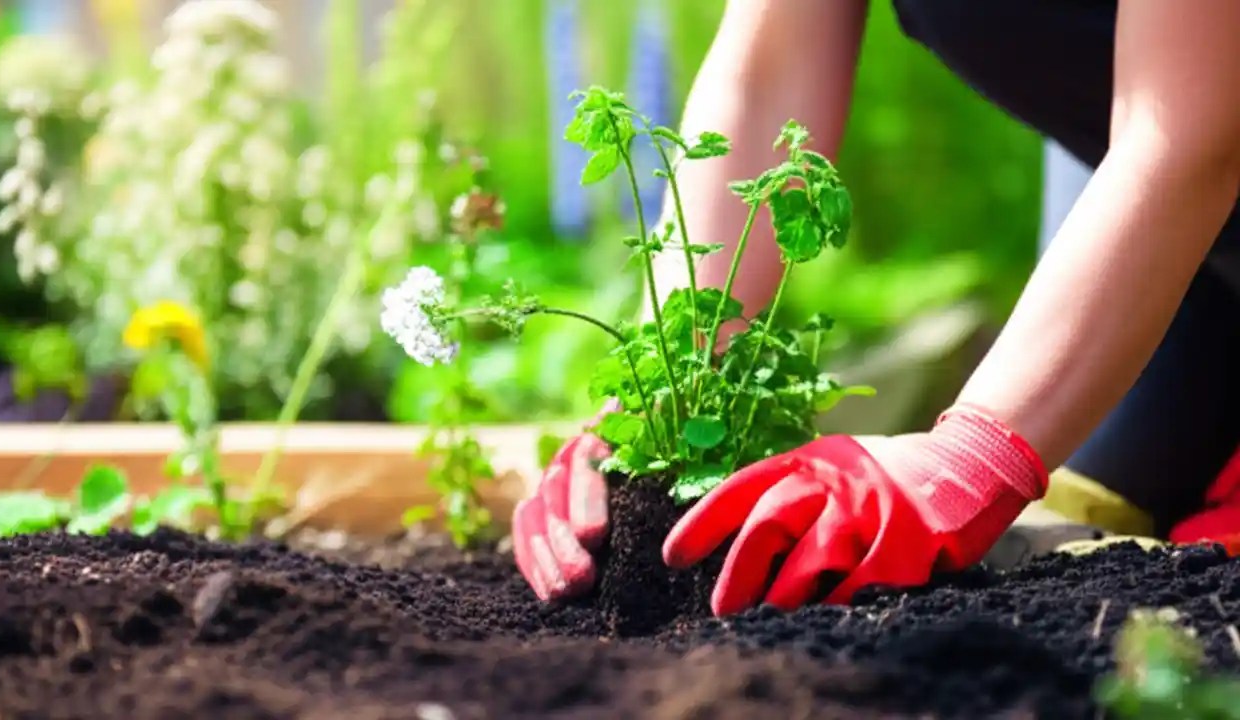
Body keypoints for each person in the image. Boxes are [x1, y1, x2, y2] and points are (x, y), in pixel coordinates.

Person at [512, 0, 1240, 616]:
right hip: (1142, 183)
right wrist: (659, 395)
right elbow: (769, 68)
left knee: (1202, 589)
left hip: (1192, 141)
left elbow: (1191, 130)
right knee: (1085, 521)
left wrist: (976, 453)